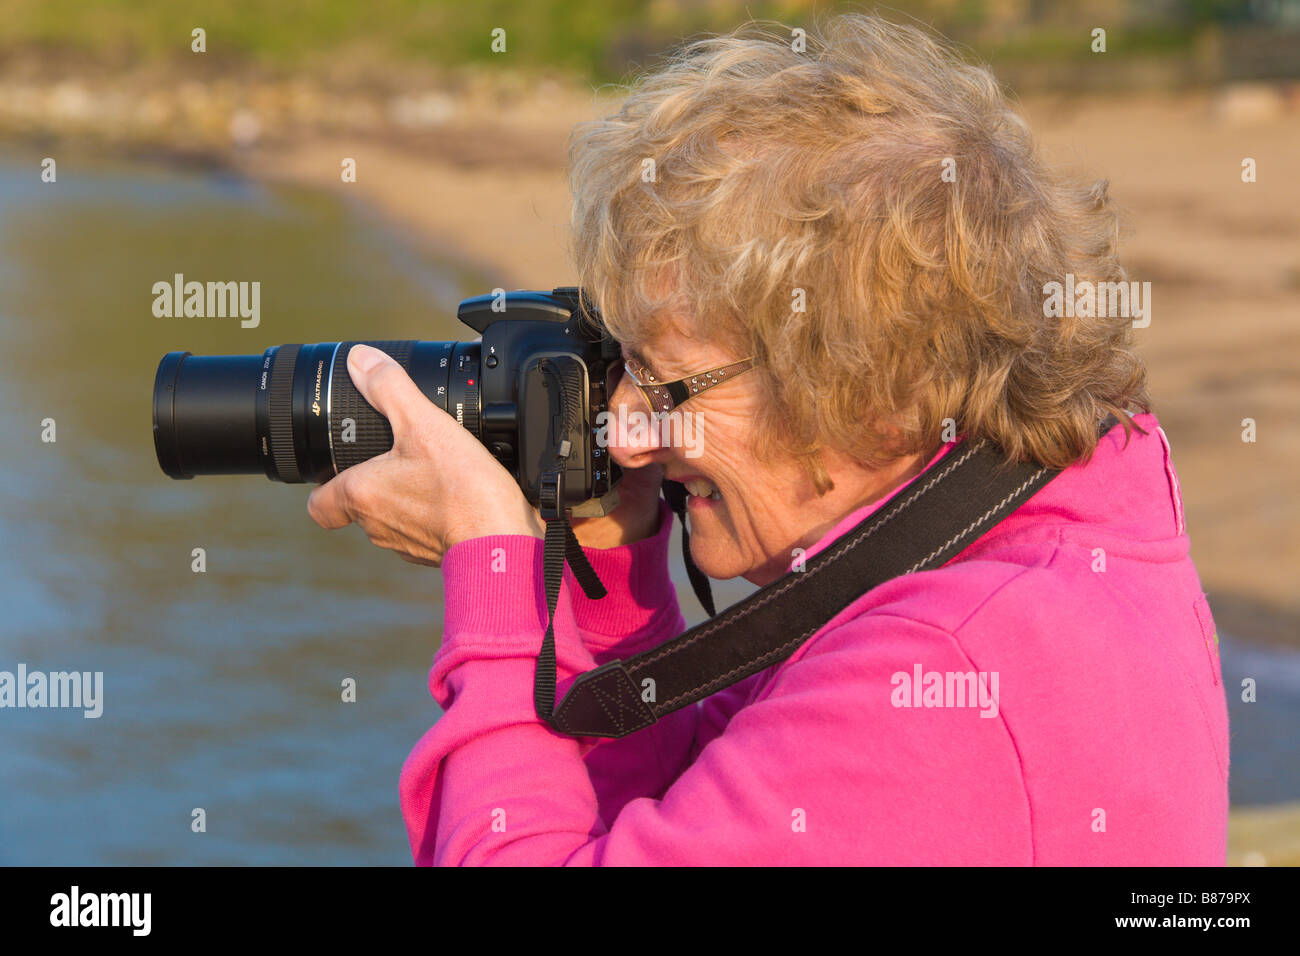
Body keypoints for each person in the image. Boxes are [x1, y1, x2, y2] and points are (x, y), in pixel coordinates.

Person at [307, 14, 1228, 865]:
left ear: (871, 389)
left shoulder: (945, 674)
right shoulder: (1034, 561)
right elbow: (690, 819)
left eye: (666, 384)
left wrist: (496, 579)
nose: (626, 430)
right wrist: (610, 573)